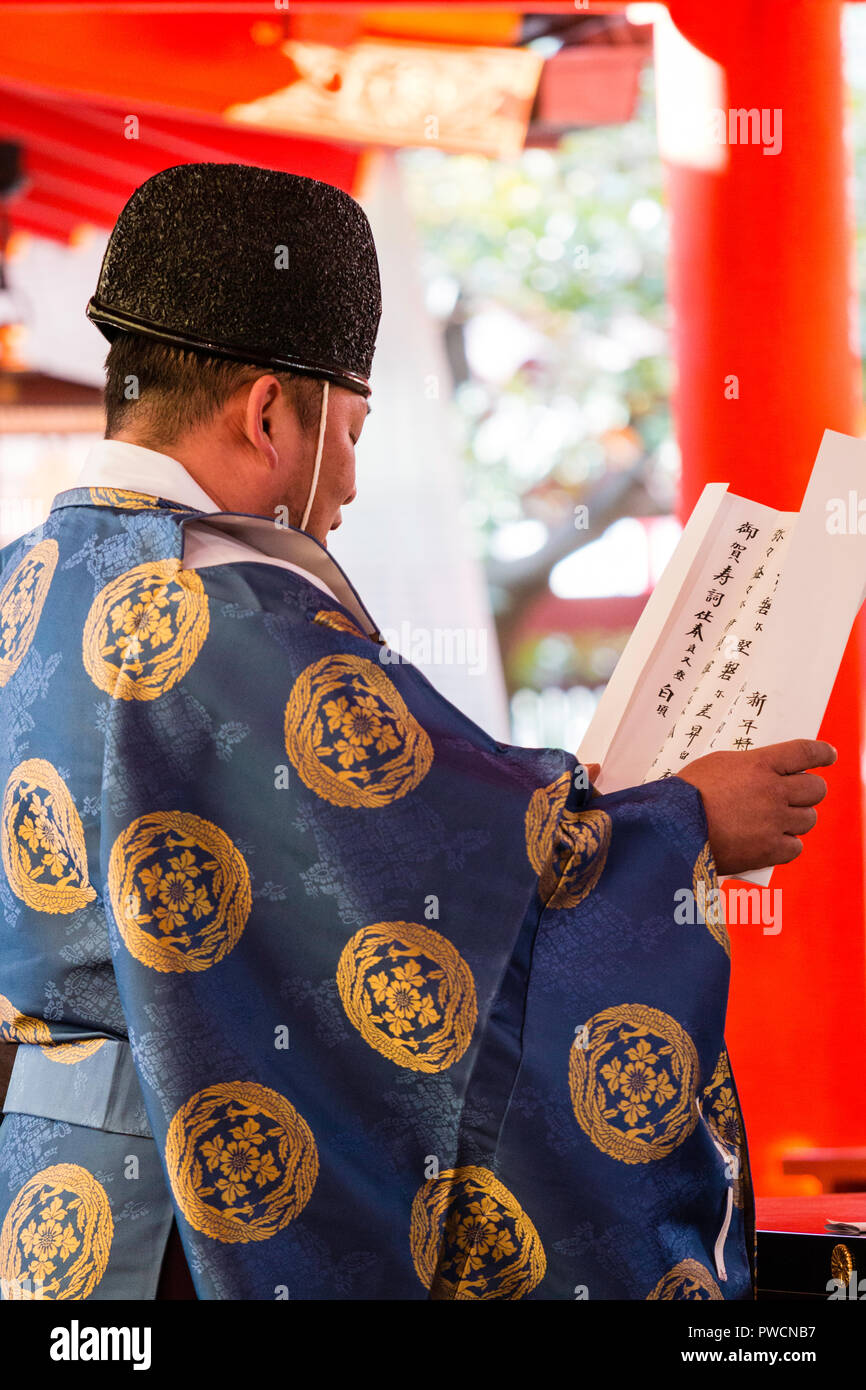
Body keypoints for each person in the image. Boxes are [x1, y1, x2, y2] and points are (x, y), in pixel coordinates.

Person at [0, 163, 834, 1301]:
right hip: (204, 1215)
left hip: (52, 1203)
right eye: (349, 430)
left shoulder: (23, 590)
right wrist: (681, 821)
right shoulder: (229, 612)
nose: (343, 483)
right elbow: (462, 882)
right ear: (266, 412)